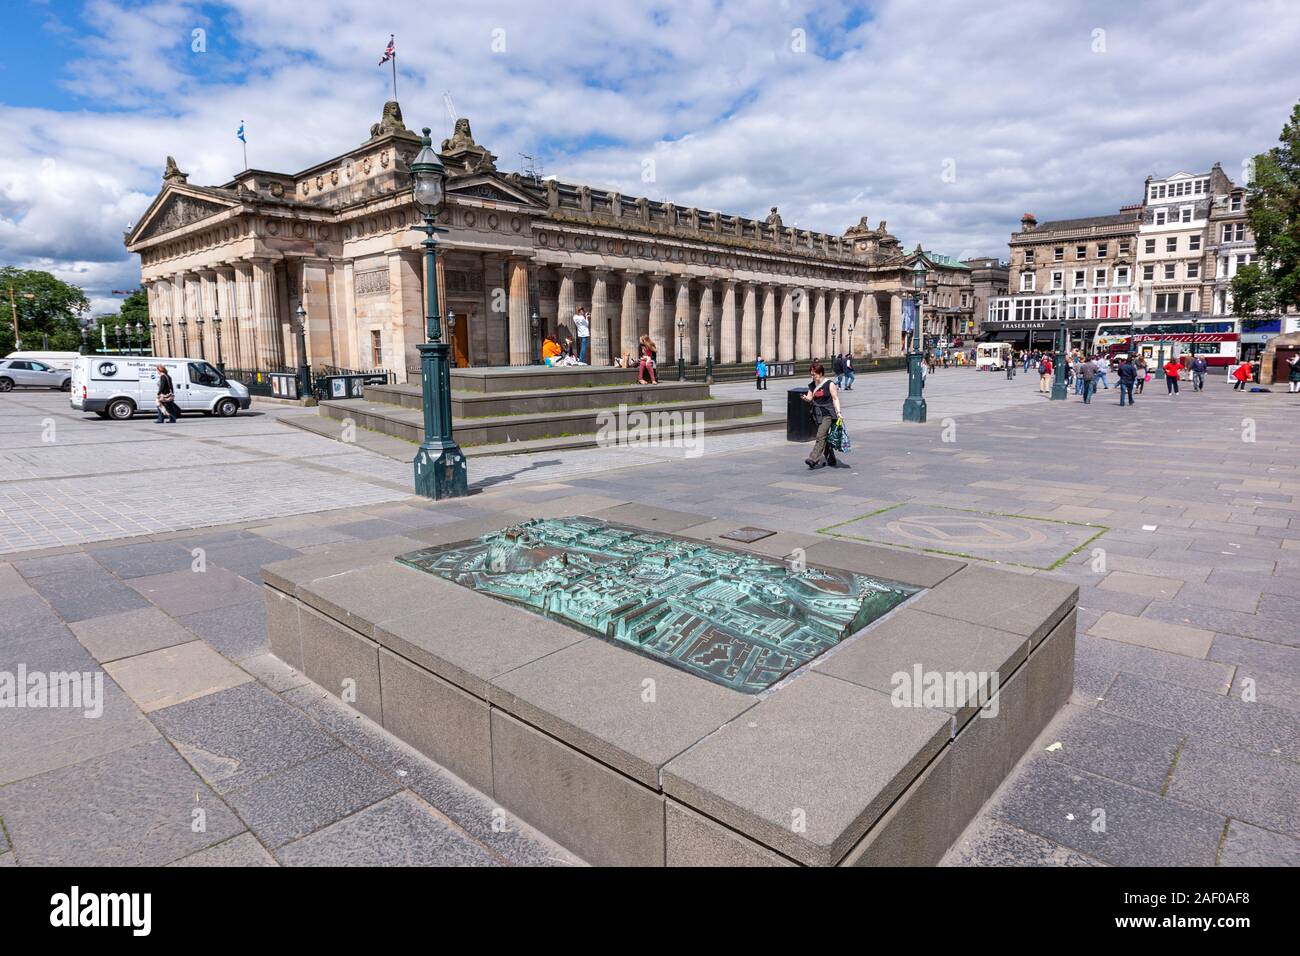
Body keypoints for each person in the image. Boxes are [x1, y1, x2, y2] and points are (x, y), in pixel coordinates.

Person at [800, 360, 843, 469]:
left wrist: (838, 412)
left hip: (828, 414)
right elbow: (810, 398)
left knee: (820, 435)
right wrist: (806, 399)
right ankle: (831, 458)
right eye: (811, 374)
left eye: (814, 374)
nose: (812, 377)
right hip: (816, 415)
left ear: (820, 373)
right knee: (825, 437)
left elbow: (835, 398)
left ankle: (813, 459)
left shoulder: (829, 384)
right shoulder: (812, 385)